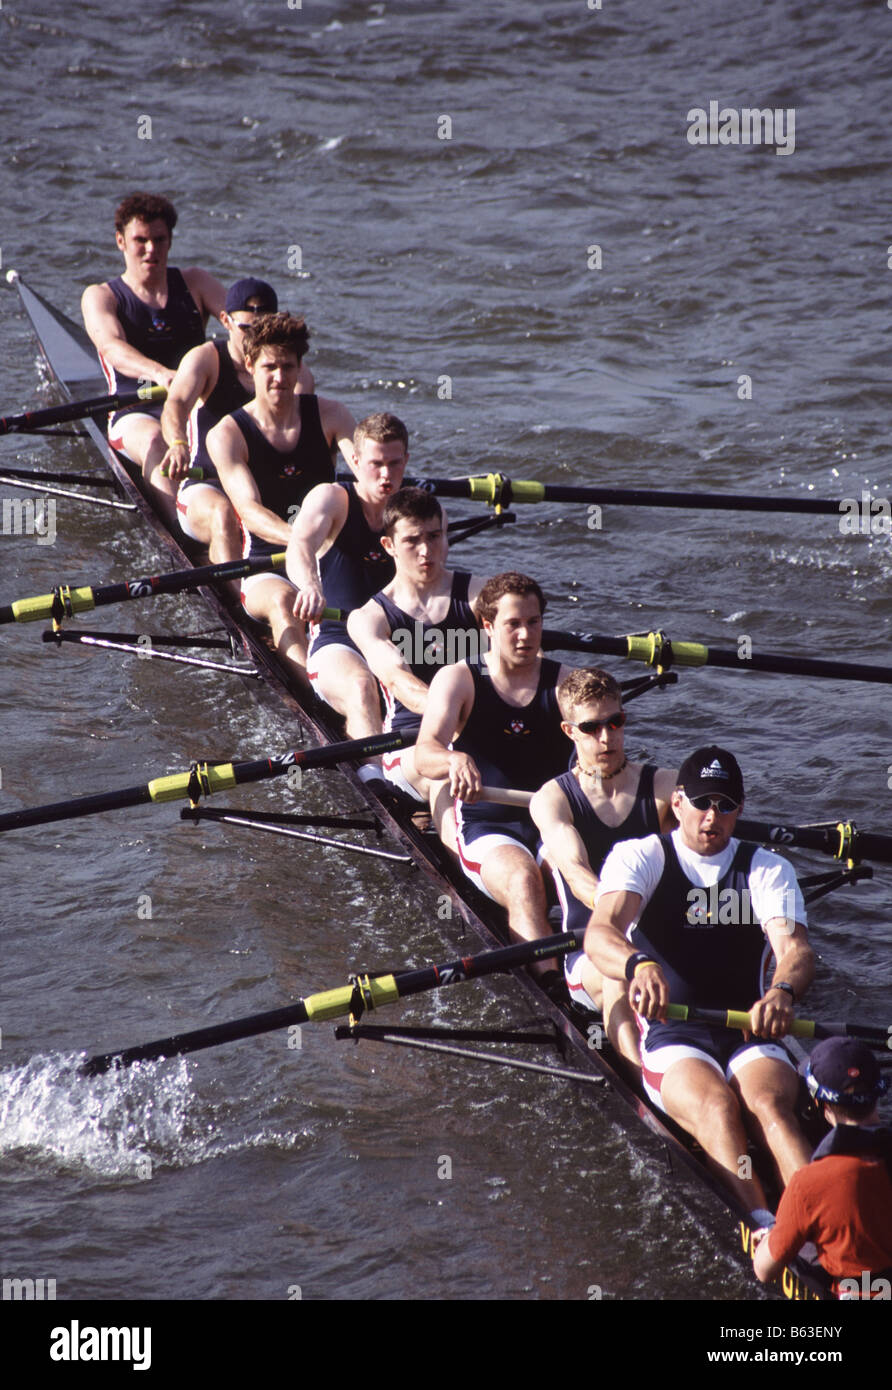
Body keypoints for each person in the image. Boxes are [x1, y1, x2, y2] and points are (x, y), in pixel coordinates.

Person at [583, 745, 815, 1215]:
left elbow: (796, 952)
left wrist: (782, 990)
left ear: (740, 809)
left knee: (769, 1107)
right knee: (717, 1109)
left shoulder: (767, 867)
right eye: (704, 802)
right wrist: (638, 965)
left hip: (748, 1026)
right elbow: (600, 932)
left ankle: (819, 1227)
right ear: (679, 801)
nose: (714, 816)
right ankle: (763, 1225)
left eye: (726, 805)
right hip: (673, 1030)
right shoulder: (641, 856)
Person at [414, 572, 574, 973]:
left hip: (550, 821)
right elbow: (424, 751)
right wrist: (452, 760)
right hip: (488, 825)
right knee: (523, 881)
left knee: (580, 877)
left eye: (534, 622)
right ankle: (552, 989)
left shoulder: (566, 683)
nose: (526, 634)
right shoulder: (459, 679)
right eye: (513, 624)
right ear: (487, 626)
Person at [529, 667, 676, 1058]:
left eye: (615, 722)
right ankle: (643, 1076)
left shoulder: (663, 786)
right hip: (588, 949)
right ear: (569, 732)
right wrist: (623, 916)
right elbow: (578, 878)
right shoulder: (552, 799)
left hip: (659, 938)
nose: (606, 738)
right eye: (591, 727)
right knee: (620, 975)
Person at [207, 313, 356, 670]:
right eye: (269, 367)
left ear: (300, 368)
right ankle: (314, 701)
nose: (279, 377)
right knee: (285, 604)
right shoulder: (227, 434)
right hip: (266, 564)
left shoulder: (332, 415)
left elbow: (367, 472)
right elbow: (250, 511)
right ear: (250, 365)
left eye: (288, 367)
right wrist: (302, 540)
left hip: (327, 557)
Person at [346, 487, 486, 836]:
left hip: (480, 733)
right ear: (389, 547)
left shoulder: (480, 596)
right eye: (412, 541)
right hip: (408, 747)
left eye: (434, 537)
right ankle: (463, 858)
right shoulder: (370, 618)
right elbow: (398, 682)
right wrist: (462, 718)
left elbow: (531, 658)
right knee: (448, 780)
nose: (427, 551)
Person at [81, 192, 225, 520]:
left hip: (191, 405)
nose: (151, 250)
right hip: (134, 410)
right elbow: (112, 348)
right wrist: (161, 373)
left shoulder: (196, 283)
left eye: (159, 240)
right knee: (157, 437)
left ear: (170, 241)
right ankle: (180, 531)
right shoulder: (101, 296)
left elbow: (239, 322)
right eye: (140, 240)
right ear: (120, 241)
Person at [160, 277, 315, 562]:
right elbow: (176, 404)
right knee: (224, 513)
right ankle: (231, 600)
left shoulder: (297, 376)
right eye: (246, 328)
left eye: (261, 328)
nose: (253, 338)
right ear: (226, 321)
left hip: (265, 486)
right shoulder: (205, 359)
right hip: (206, 484)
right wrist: (178, 443)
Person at [287, 413, 409, 743]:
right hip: (336, 638)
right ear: (354, 461)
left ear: (406, 460)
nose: (386, 475)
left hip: (398, 639)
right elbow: (300, 544)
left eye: (395, 464)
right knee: (361, 686)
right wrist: (310, 584)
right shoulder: (332, 498)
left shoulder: (414, 511)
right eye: (376, 464)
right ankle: (374, 781)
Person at [752, 1037, 892, 1295]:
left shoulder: (809, 1183)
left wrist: (771, 1236)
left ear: (819, 1103)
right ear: (879, 1091)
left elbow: (764, 1270)